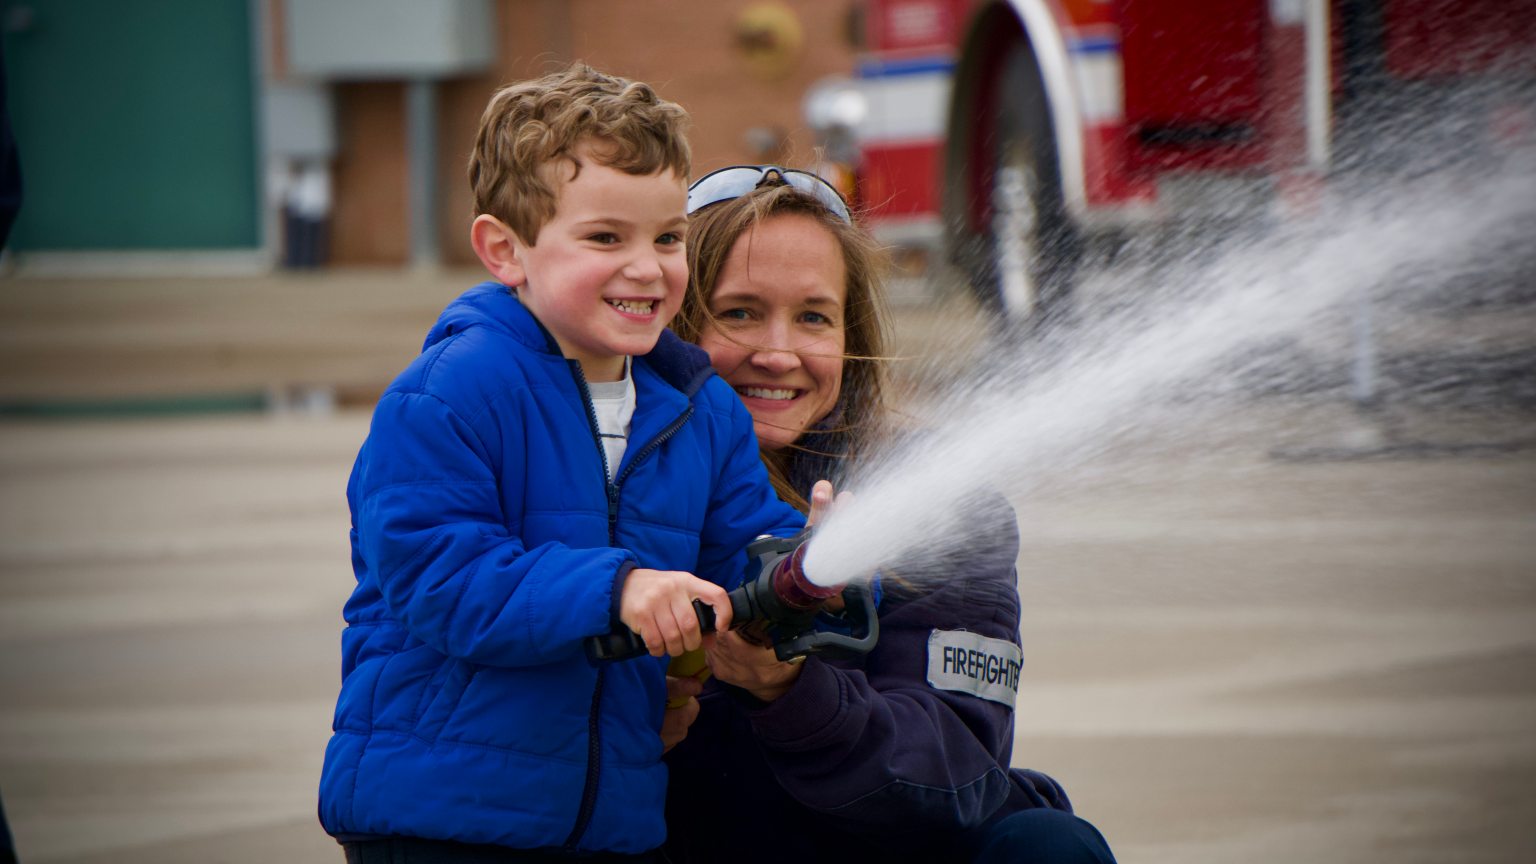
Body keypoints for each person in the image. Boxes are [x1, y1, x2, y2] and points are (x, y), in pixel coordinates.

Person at [317, 70, 806, 862]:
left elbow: (741, 545)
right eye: (606, 238)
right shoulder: (453, 392)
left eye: (668, 238)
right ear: (504, 250)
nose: (648, 268)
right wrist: (620, 590)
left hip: (609, 822)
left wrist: (808, 563)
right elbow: (441, 582)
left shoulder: (698, 408)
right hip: (438, 816)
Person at [660, 166, 1117, 864]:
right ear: (674, 325)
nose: (778, 352)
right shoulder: (599, 486)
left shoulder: (938, 505)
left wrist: (789, 687)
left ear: (852, 336)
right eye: (740, 311)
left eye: (814, 316)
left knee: (1046, 848)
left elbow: (954, 775)